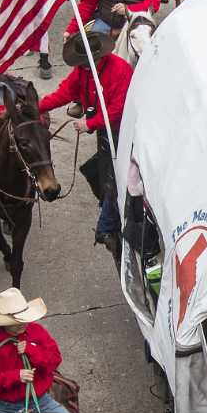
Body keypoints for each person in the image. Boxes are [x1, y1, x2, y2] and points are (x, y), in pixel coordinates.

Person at [39, 27, 133, 254]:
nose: (80, 66)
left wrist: (89, 123)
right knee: (95, 171)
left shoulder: (121, 70)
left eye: (83, 62)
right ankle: (109, 209)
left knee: (114, 178)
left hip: (125, 130)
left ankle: (106, 227)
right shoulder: (83, 72)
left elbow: (118, 109)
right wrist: (36, 106)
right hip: (105, 131)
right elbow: (64, 93)